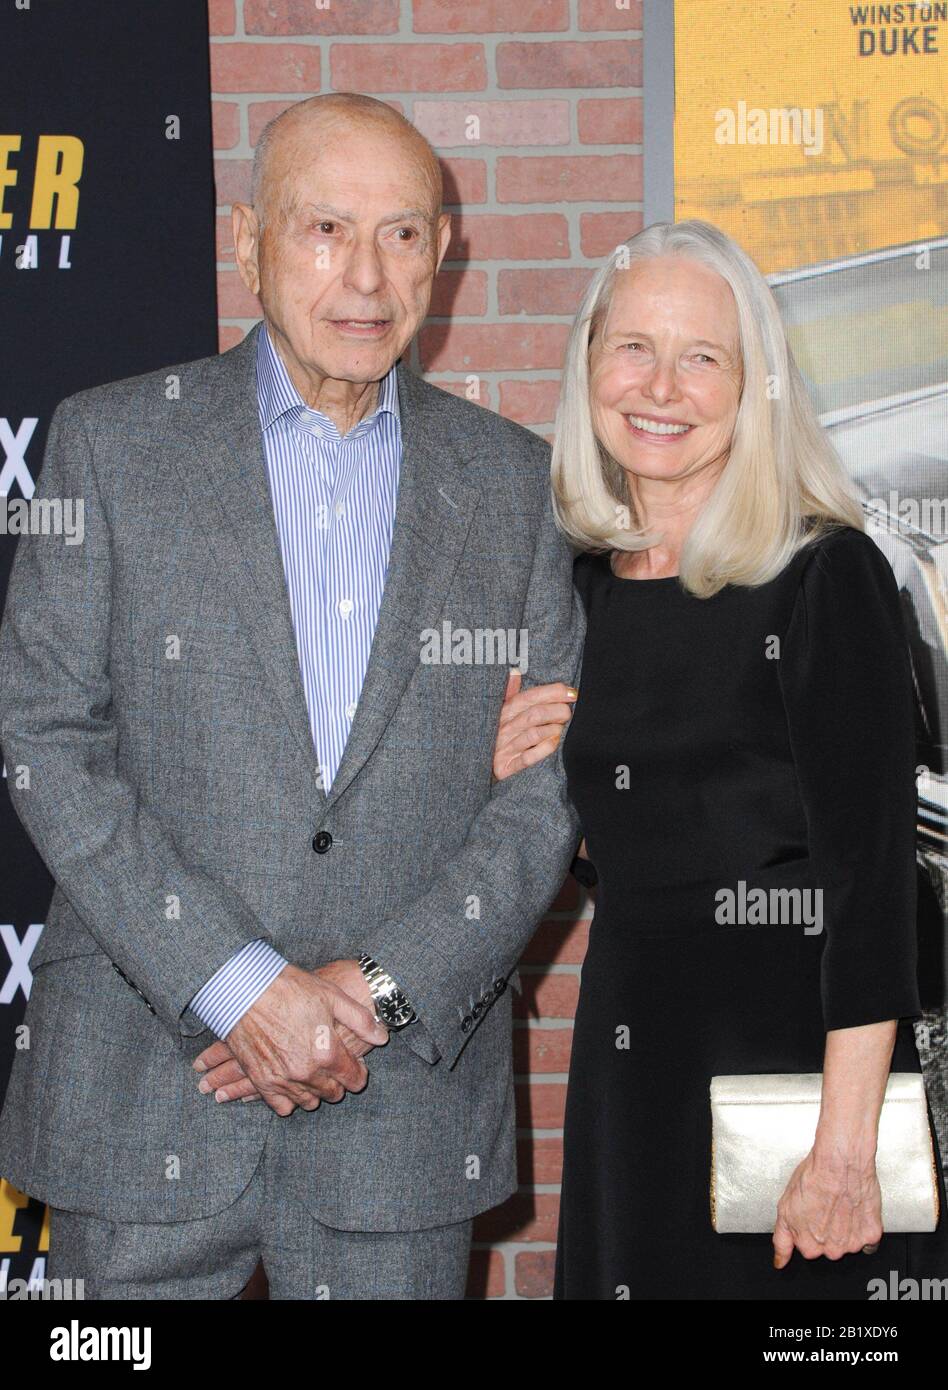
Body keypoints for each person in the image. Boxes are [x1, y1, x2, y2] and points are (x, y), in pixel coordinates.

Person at [0, 92, 584, 1300]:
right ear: (248, 241)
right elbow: (48, 737)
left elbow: (545, 793)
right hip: (141, 1089)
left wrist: (367, 997)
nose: (366, 275)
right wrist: (241, 982)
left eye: (404, 233)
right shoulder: (112, 447)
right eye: (324, 229)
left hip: (400, 1112)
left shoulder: (516, 484)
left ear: (441, 251)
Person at [492, 219, 948, 1299]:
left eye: (703, 356)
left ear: (755, 389)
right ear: (590, 366)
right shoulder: (581, 586)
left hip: (802, 1078)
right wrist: (528, 778)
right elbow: (663, 835)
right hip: (636, 1058)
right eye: (633, 347)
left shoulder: (822, 577)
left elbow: (871, 884)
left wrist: (842, 1153)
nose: (662, 385)